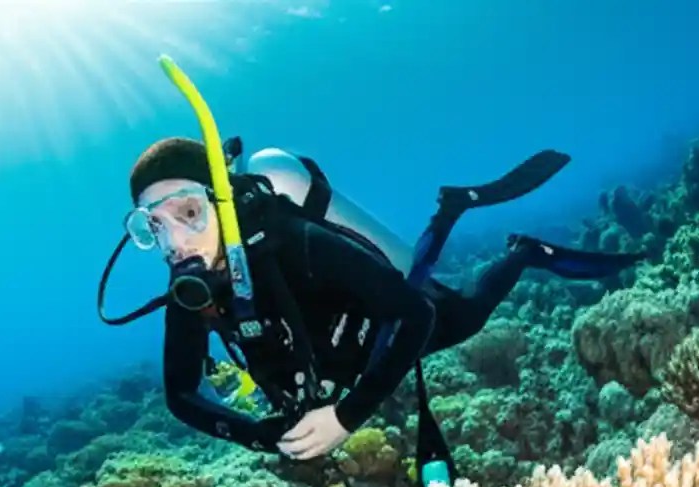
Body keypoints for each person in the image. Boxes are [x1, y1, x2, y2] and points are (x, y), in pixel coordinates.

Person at [111, 137, 645, 464]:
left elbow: (414, 314)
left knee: (460, 319)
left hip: (382, 318)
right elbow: (181, 392)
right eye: (152, 226)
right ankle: (459, 216)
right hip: (338, 356)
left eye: (187, 214)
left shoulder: (286, 238)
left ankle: (522, 250)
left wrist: (346, 417)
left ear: (219, 201)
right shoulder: (190, 287)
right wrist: (259, 435)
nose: (174, 243)